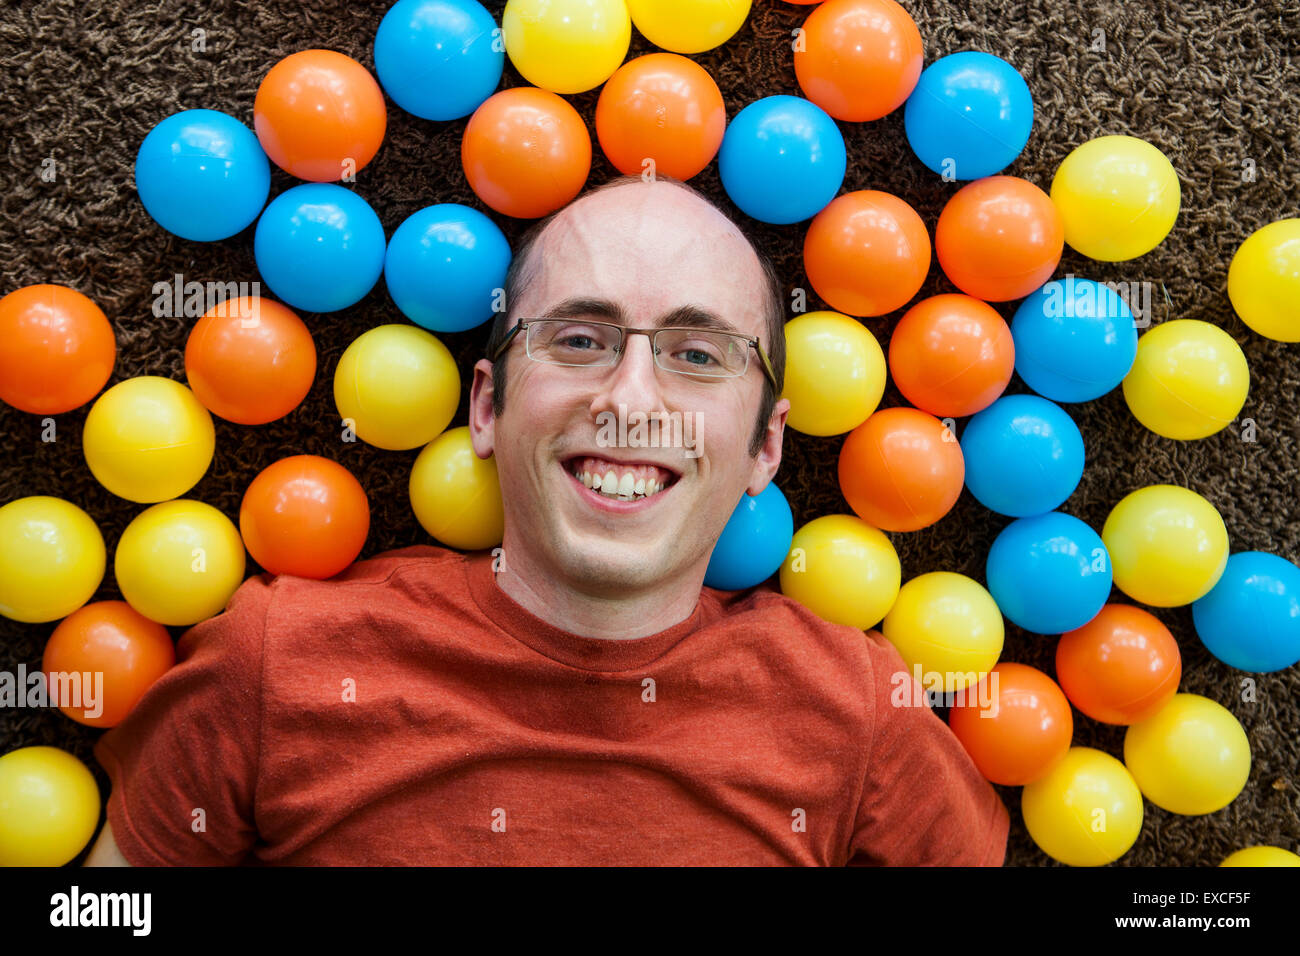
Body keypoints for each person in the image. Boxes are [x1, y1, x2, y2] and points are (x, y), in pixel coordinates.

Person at [85, 173, 1009, 866]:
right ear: (486, 408)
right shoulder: (275, 661)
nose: (631, 398)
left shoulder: (858, 713)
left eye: (697, 352)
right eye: (579, 339)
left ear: (766, 447)